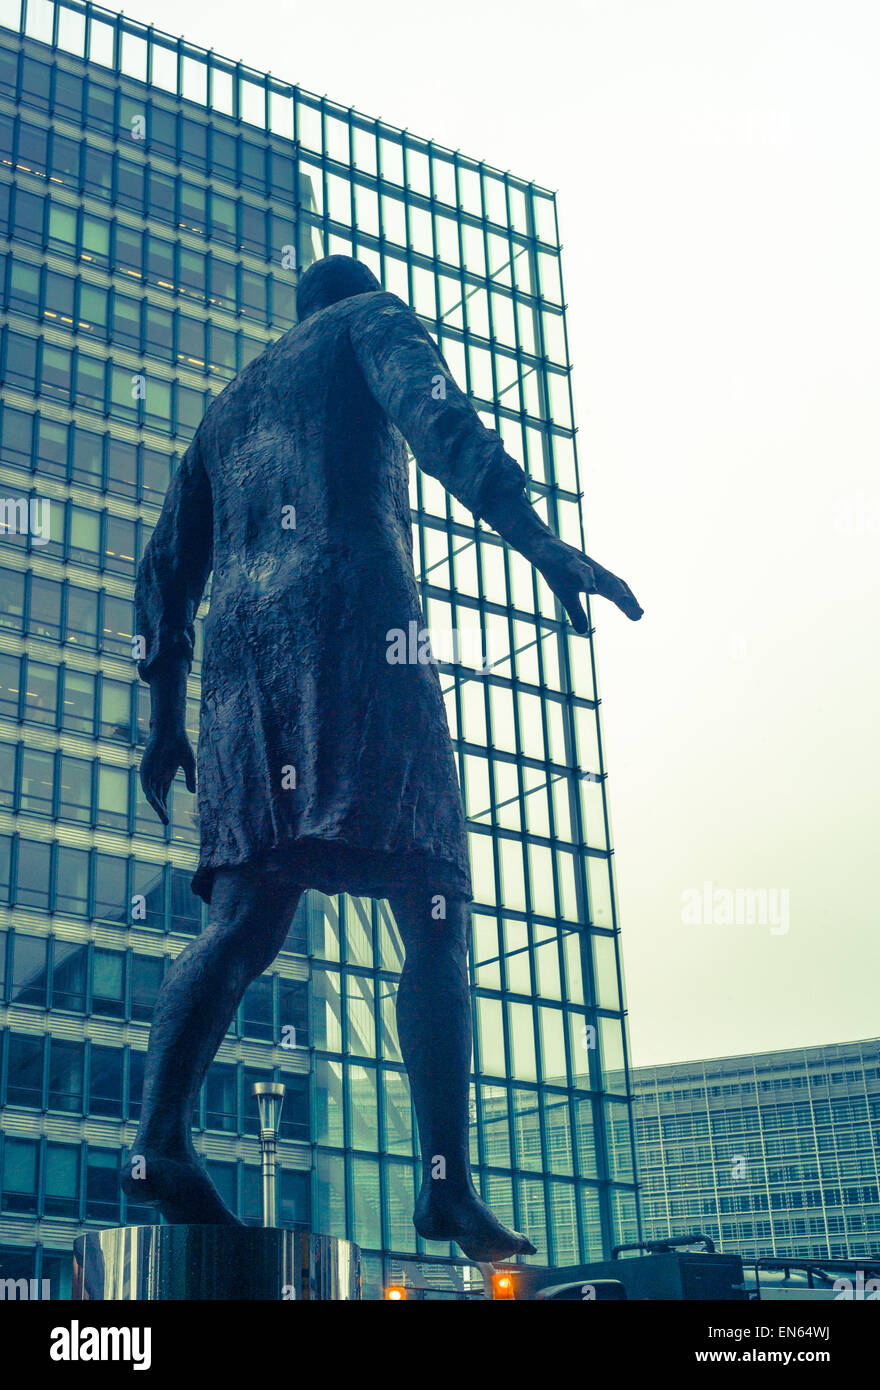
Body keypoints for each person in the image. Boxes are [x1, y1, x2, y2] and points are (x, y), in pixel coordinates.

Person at [123, 255, 642, 1262]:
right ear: (350, 296)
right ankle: (444, 1181)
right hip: (352, 625)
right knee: (435, 898)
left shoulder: (222, 411)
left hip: (240, 671)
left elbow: (160, 574)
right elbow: (441, 419)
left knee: (241, 919)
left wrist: (161, 720)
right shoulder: (372, 320)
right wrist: (536, 538)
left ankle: (157, 1142)